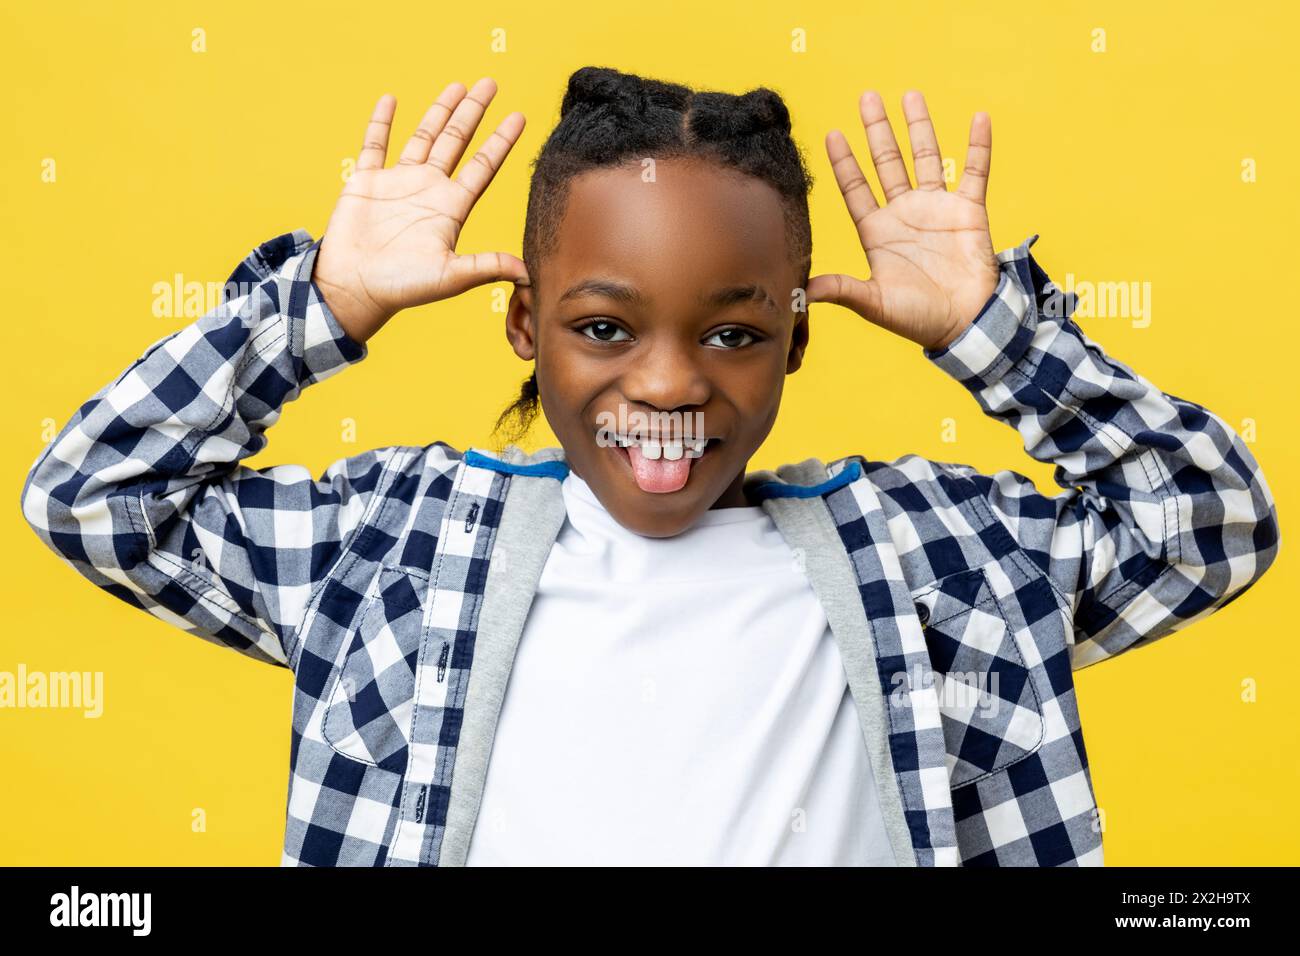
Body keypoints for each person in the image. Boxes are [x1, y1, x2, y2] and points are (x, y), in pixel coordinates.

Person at [20, 66, 1280, 866]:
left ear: (796, 333)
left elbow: (1206, 522)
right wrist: (324, 303)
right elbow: (95, 494)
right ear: (526, 324)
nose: (671, 383)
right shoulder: (398, 548)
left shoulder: (933, 559)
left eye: (732, 331)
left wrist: (988, 331)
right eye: (605, 327)